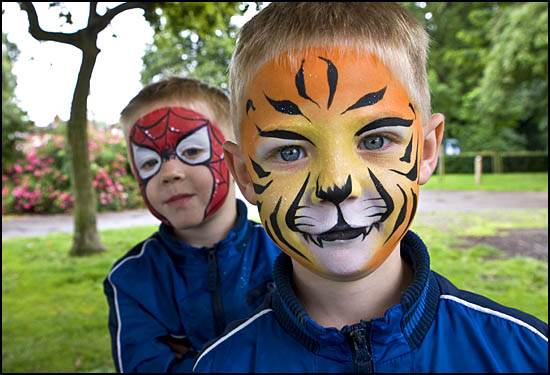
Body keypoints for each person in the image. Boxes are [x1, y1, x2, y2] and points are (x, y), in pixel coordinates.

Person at [192, 3, 548, 373]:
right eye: (290, 151)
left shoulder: (527, 354)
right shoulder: (220, 365)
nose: (335, 185)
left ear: (426, 152)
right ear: (245, 174)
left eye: (375, 141)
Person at [103, 76, 280, 373]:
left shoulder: (284, 253)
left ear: (237, 160)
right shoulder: (131, 279)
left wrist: (192, 362)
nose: (169, 172)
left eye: (192, 151)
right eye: (149, 162)